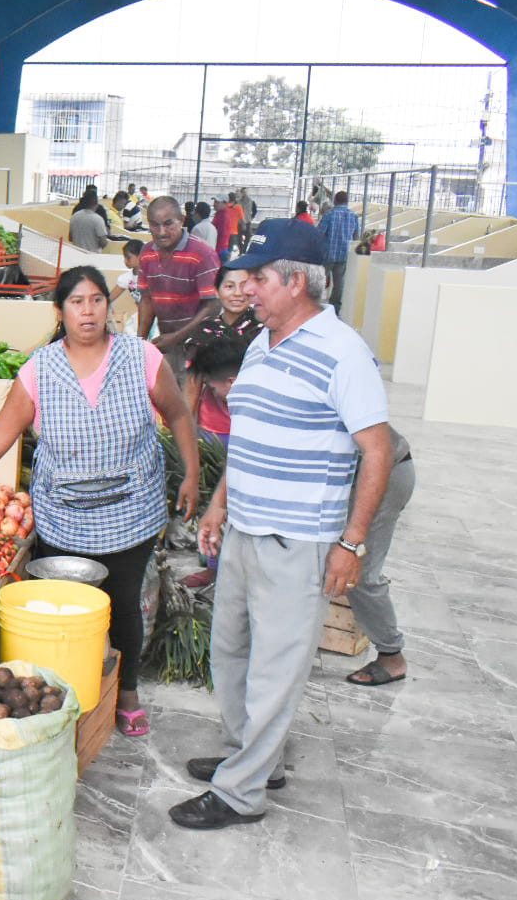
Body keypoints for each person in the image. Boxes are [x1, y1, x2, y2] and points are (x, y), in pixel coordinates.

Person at [172, 219, 393, 830]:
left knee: (276, 666)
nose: (247, 289)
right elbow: (252, 436)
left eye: (259, 278)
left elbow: (374, 451)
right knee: (233, 652)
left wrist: (350, 542)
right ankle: (253, 758)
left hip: (298, 540)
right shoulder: (264, 342)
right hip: (245, 526)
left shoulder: (342, 351)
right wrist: (219, 505)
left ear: (296, 282)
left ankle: (242, 794)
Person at [0, 266, 201, 738]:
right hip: (65, 516)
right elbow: (1, 433)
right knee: (65, 608)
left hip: (129, 509)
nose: (88, 310)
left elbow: (177, 413)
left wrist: (192, 473)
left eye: (96, 300)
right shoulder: (39, 369)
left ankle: (127, 690)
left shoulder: (141, 357)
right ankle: (60, 687)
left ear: (108, 308)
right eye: (77, 302)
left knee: (123, 604)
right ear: (61, 311)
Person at [343, 426, 415, 686]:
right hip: (352, 474)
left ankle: (391, 656)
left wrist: (352, 540)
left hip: (384, 473)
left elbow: (378, 451)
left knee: (359, 572)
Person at [135, 196, 221, 373]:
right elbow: (147, 299)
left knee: (190, 398)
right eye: (154, 225)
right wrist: (140, 344)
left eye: (168, 224)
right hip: (168, 344)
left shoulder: (202, 254)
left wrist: (176, 337)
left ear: (182, 220)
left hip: (199, 346)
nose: (161, 232)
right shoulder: (147, 253)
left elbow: (213, 305)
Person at [181, 266, 261, 442]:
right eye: (229, 286)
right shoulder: (203, 332)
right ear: (217, 291)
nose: (238, 294)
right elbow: (192, 385)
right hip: (213, 429)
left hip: (255, 427)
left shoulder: (265, 330)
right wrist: (185, 433)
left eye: (244, 286)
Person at [315, 190, 361, 314]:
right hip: (344, 255)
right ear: (347, 202)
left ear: (335, 201)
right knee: (339, 282)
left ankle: (314, 305)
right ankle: (335, 308)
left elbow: (319, 233)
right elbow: (357, 237)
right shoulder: (354, 216)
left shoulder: (329, 214)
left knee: (320, 279)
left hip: (327, 254)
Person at [215, 192, 244, 258]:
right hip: (233, 232)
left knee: (221, 249)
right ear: (234, 199)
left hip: (224, 231)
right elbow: (241, 219)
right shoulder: (238, 207)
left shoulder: (224, 206)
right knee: (229, 251)